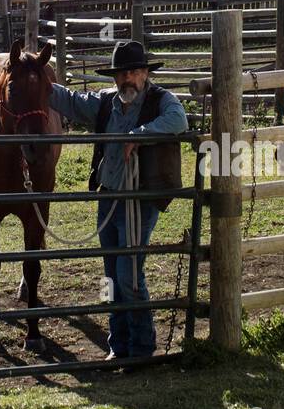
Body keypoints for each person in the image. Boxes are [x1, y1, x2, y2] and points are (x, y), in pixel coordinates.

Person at [48, 39, 187, 363]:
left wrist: (136, 135)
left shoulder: (161, 100)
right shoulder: (106, 103)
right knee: (111, 273)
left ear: (144, 73)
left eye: (134, 72)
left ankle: (140, 347)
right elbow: (69, 100)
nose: (128, 80)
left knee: (128, 273)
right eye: (122, 74)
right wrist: (39, 76)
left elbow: (179, 121)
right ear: (115, 78)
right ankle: (118, 345)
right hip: (110, 194)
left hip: (139, 199)